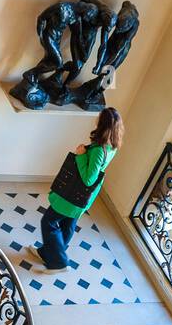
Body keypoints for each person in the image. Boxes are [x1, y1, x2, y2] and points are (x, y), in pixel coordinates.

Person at [37, 107, 125, 271]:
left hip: (73, 194)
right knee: (68, 224)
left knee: (48, 221)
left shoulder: (99, 150)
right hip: (82, 197)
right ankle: (48, 253)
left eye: (99, 118)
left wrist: (81, 154)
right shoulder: (112, 147)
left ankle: (59, 261)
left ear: (102, 124)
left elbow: (88, 179)